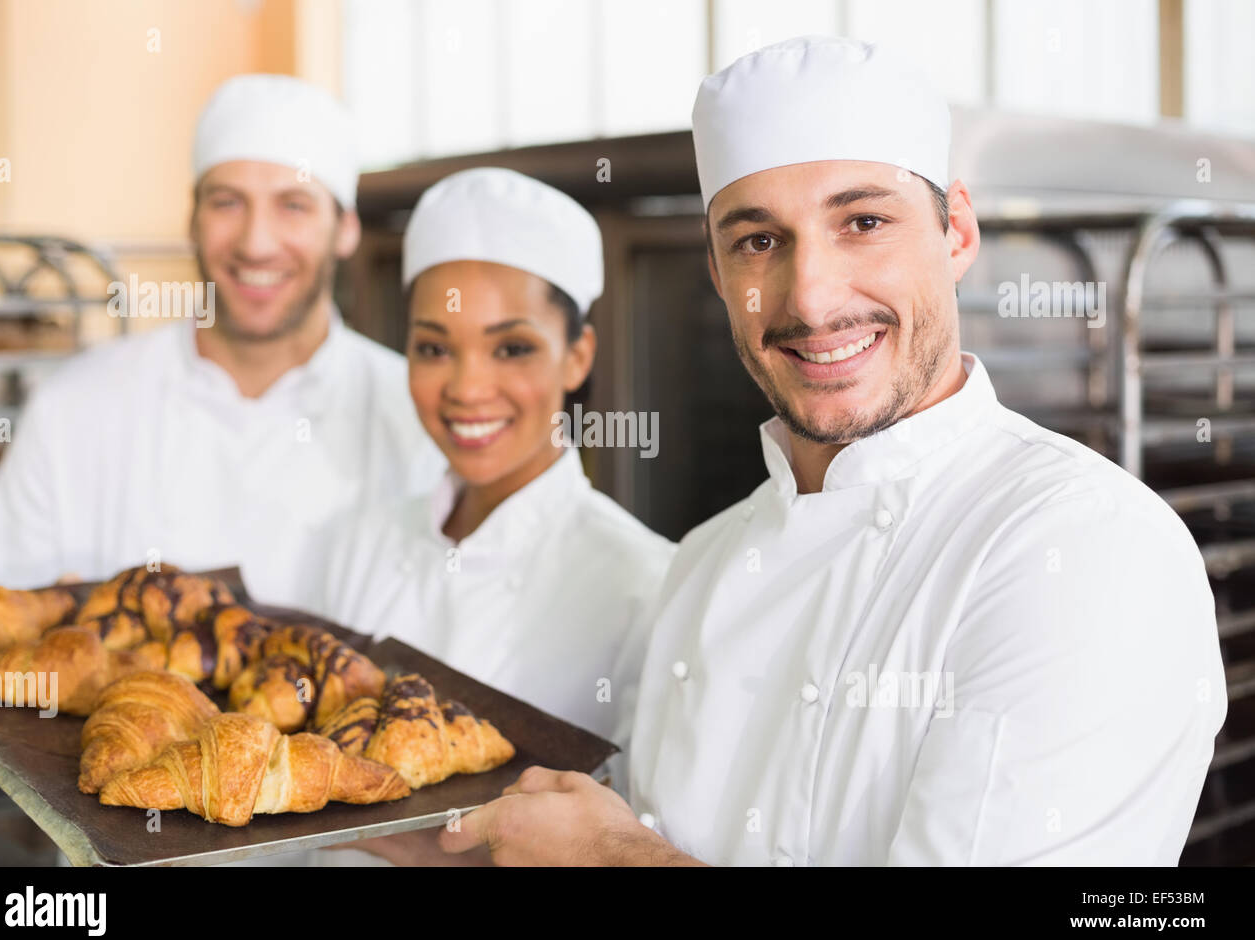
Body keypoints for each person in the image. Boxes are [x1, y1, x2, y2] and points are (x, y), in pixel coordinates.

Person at [433, 36, 1228, 866]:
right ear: (716, 271)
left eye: (864, 222)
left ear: (956, 231)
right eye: (759, 242)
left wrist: (607, 857)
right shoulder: (703, 567)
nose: (811, 299)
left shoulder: (1085, 548)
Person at [316, 167, 675, 865]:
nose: (467, 387)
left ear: (578, 356)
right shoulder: (358, 539)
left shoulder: (645, 585)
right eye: (433, 347)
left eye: (511, 347)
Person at [0, 74, 443, 608]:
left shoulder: (416, 422)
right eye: (227, 202)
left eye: (293, 205)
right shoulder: (72, 411)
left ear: (347, 228)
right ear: (191, 219)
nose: (256, 242)